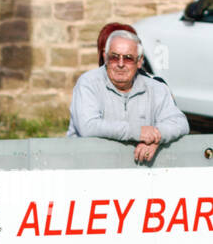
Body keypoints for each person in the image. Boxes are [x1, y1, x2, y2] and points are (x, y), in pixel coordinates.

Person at [67, 29, 188, 164]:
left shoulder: (156, 88)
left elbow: (180, 122)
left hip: (138, 169)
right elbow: (88, 127)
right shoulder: (88, 83)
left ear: (140, 61)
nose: (120, 64)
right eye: (114, 57)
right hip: (89, 166)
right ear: (105, 57)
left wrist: (156, 138)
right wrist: (138, 132)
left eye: (128, 58)